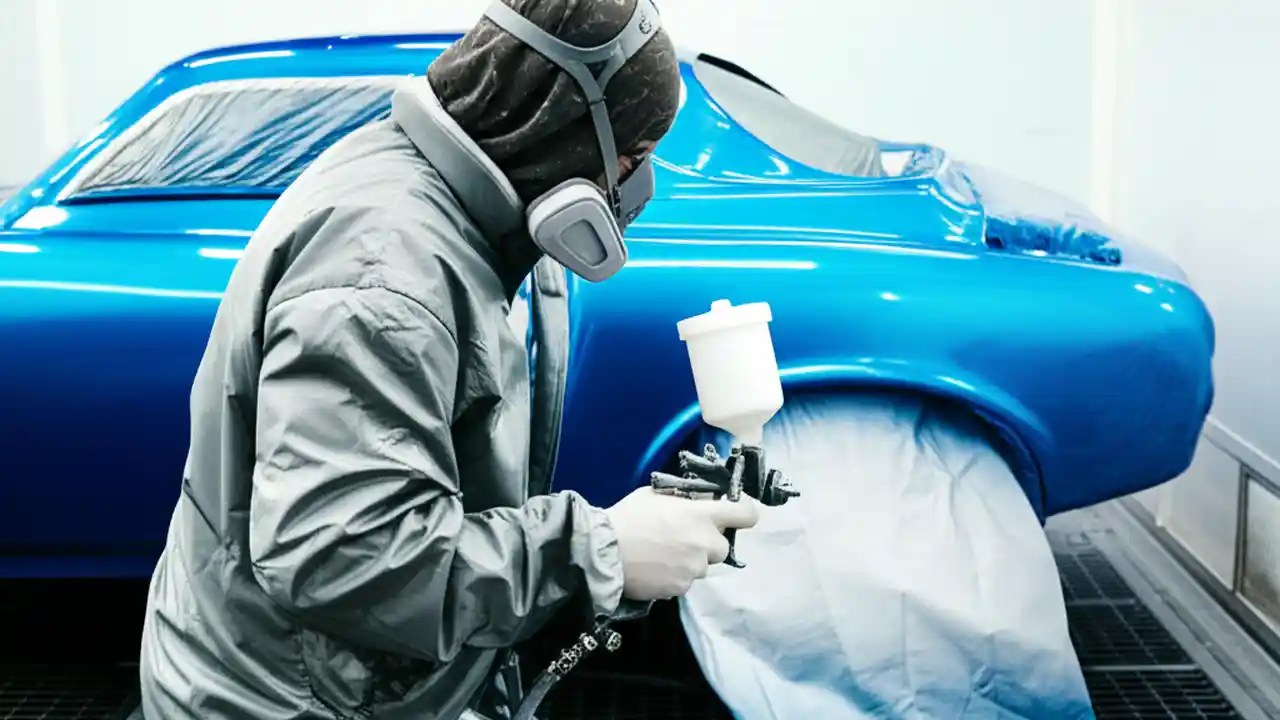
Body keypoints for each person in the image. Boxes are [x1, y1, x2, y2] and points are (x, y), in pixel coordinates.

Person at [135, 1, 759, 718]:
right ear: (559, 124)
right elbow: (343, 557)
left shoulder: (455, 207)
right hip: (285, 700)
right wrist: (597, 549)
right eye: (630, 155)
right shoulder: (382, 277)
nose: (631, 185)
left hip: (335, 674)